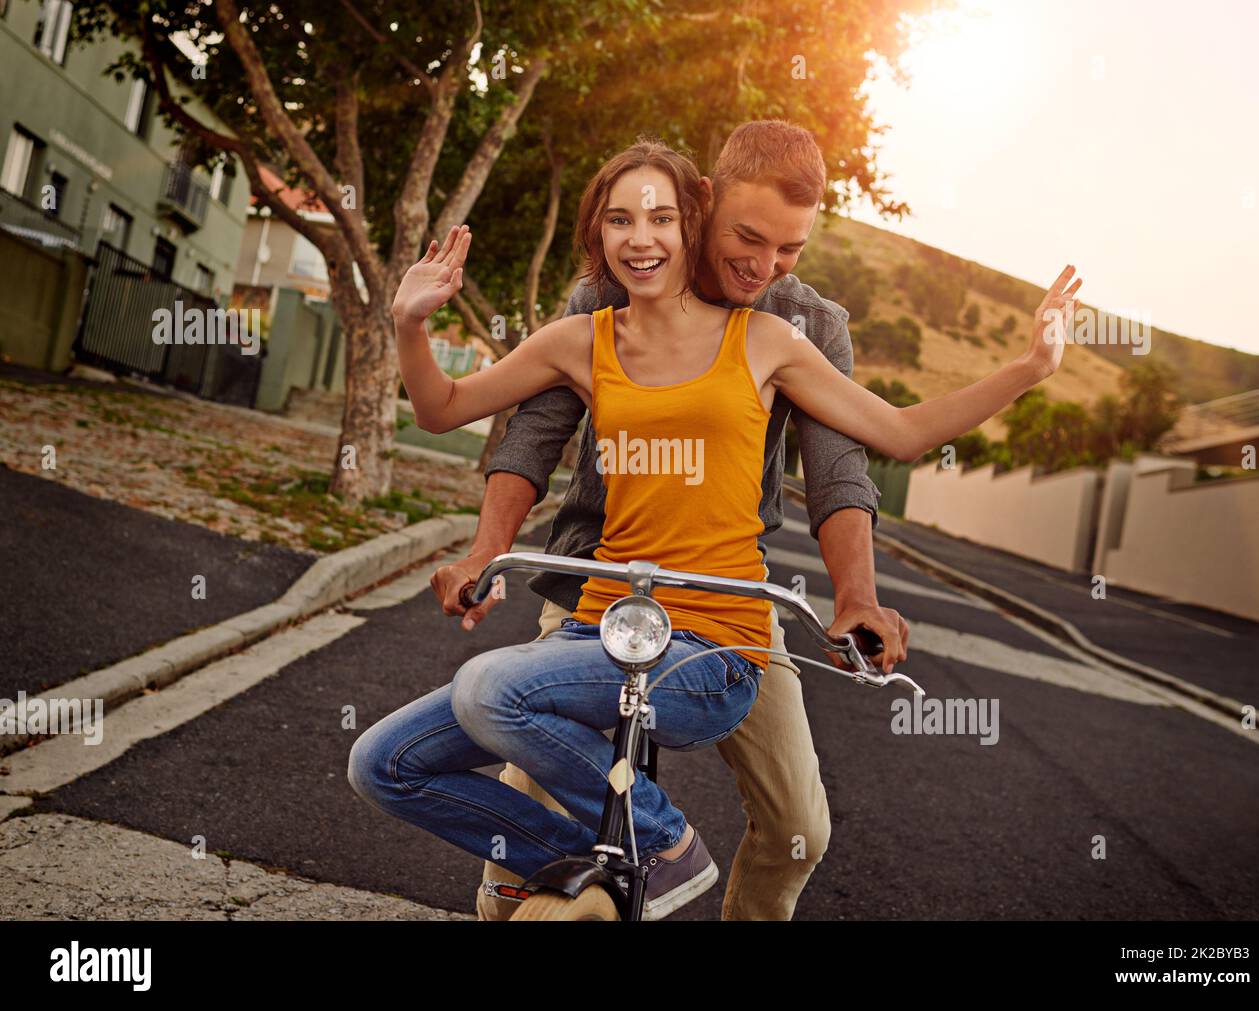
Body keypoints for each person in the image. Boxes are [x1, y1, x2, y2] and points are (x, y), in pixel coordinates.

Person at [349, 134, 1080, 920]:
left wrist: (1027, 370)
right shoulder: (591, 317)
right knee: (386, 762)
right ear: (705, 205)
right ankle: (588, 868)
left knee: (796, 826)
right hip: (596, 598)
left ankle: (658, 847)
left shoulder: (784, 330)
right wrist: (482, 545)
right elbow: (492, 423)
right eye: (749, 239)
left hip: (718, 614)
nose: (766, 266)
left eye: (789, 248)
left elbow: (865, 454)